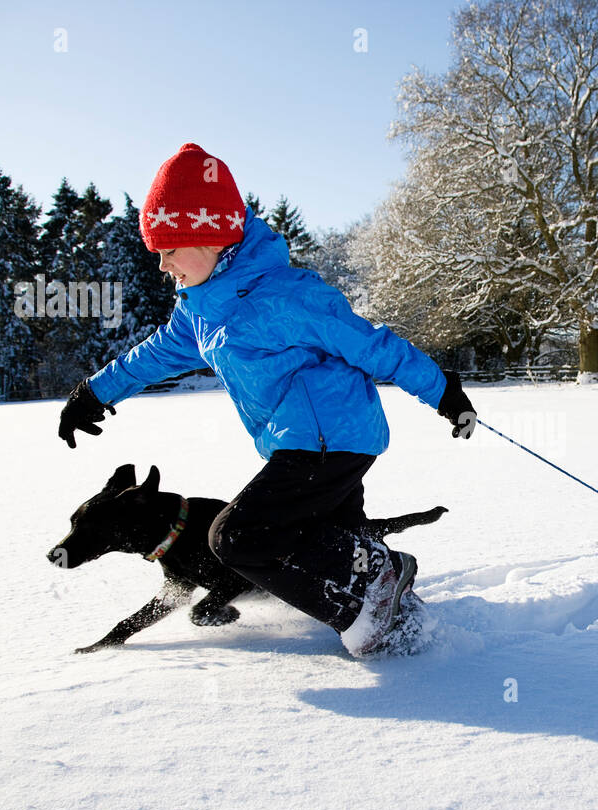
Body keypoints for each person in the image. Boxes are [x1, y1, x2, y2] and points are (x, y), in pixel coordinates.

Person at [57, 143, 476, 656]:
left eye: (170, 248)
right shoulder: (201, 310)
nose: (162, 264)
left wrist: (442, 392)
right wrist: (93, 393)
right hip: (295, 440)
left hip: (329, 438)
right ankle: (409, 630)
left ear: (210, 237)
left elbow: (372, 346)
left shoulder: (288, 295)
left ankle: (370, 595)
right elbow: (153, 356)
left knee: (237, 538)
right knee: (333, 537)